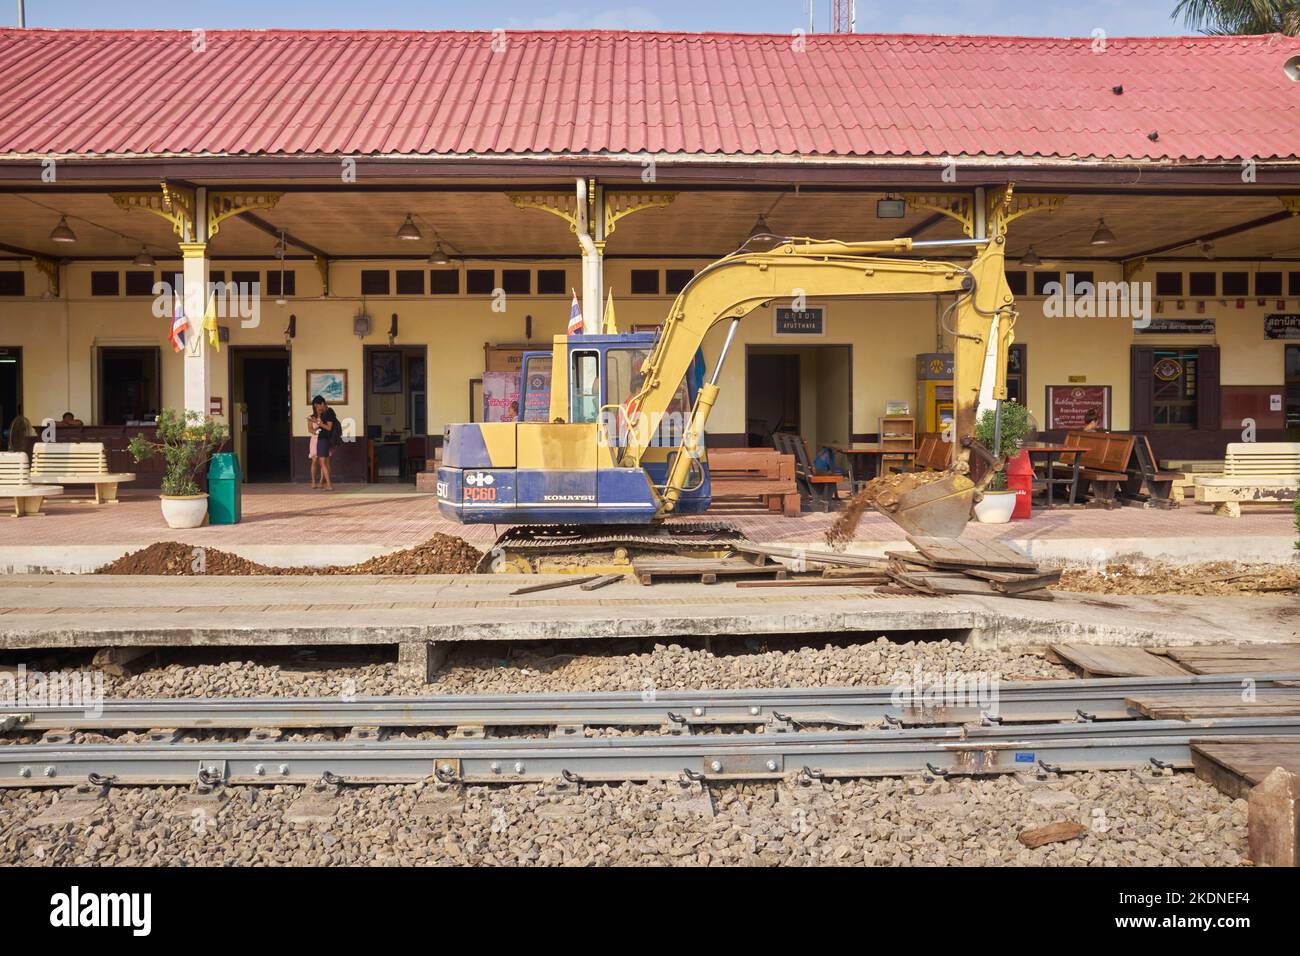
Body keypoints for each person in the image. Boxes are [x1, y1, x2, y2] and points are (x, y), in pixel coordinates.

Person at [309, 395, 340, 491]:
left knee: (322, 463)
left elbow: (328, 427)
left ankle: (329, 485)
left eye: (318, 406)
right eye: (316, 407)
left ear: (322, 403)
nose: (317, 408)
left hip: (324, 440)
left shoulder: (329, 412)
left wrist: (317, 422)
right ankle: (327, 484)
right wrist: (317, 424)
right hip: (323, 439)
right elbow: (321, 427)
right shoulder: (325, 413)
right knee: (325, 463)